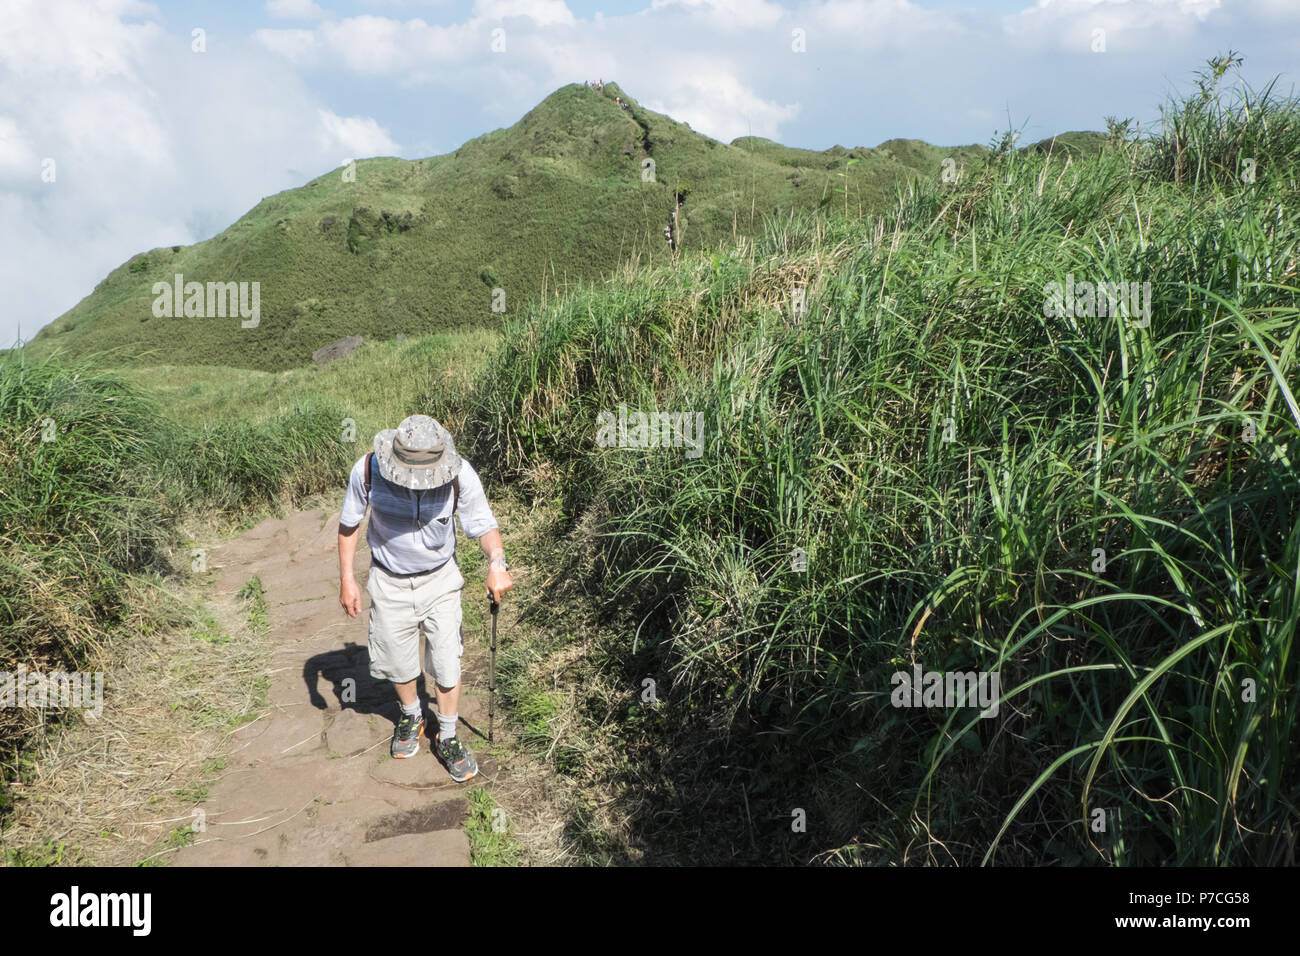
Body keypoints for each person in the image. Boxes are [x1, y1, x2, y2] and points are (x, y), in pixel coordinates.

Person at [337, 415, 513, 782]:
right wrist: (347, 580)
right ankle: (412, 712)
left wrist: (497, 562)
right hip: (388, 580)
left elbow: (483, 524)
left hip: (440, 580)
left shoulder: (460, 474)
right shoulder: (368, 470)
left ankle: (447, 736)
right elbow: (349, 525)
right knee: (397, 662)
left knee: (447, 661)